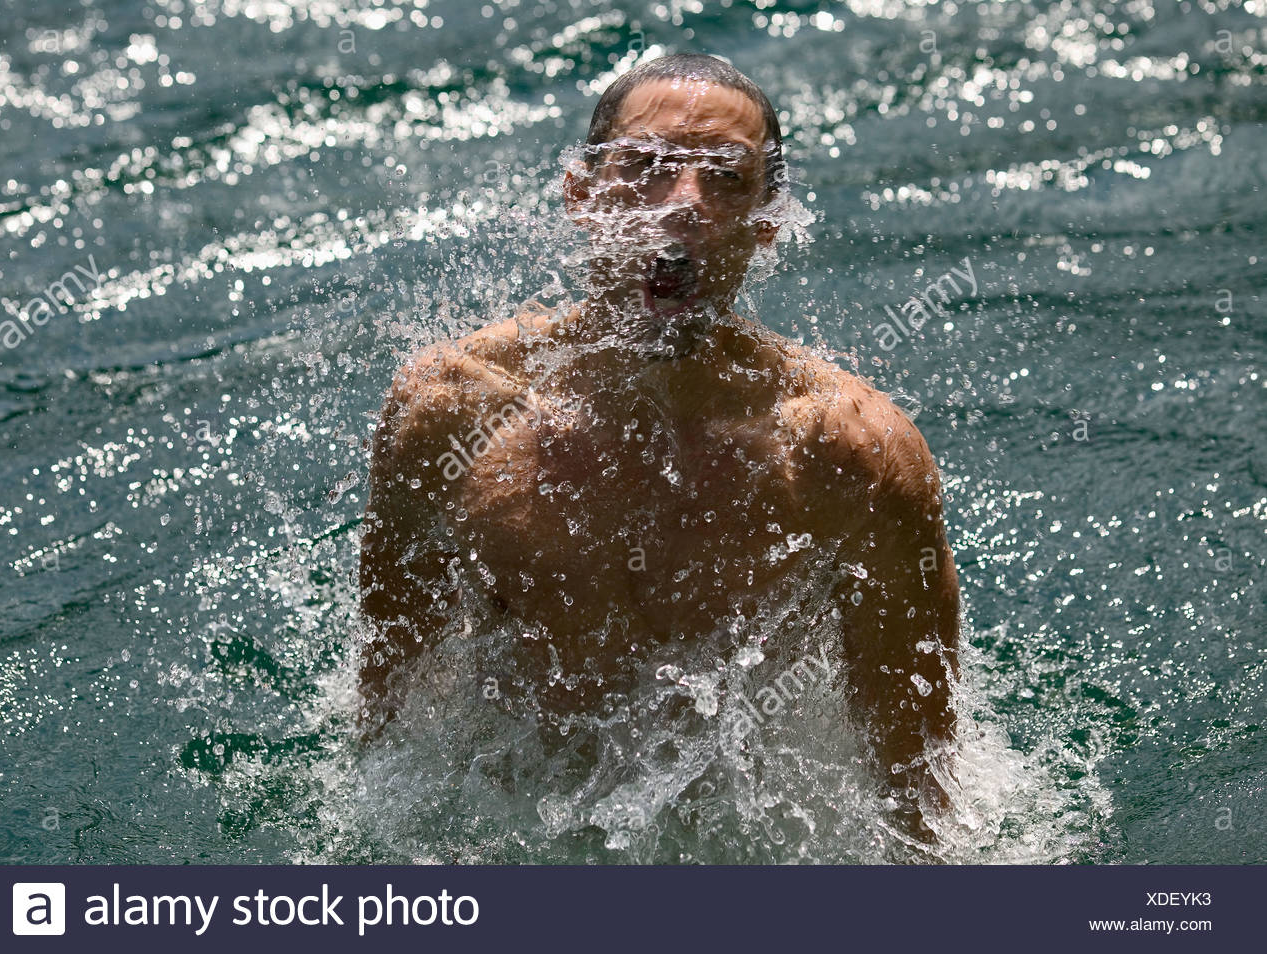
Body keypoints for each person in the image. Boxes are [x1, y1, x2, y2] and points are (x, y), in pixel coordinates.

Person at [358, 53, 961, 823]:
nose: (683, 204)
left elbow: (924, 796)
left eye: (726, 178)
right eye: (645, 167)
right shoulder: (453, 412)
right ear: (581, 195)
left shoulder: (850, 455)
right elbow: (381, 735)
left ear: (770, 220)